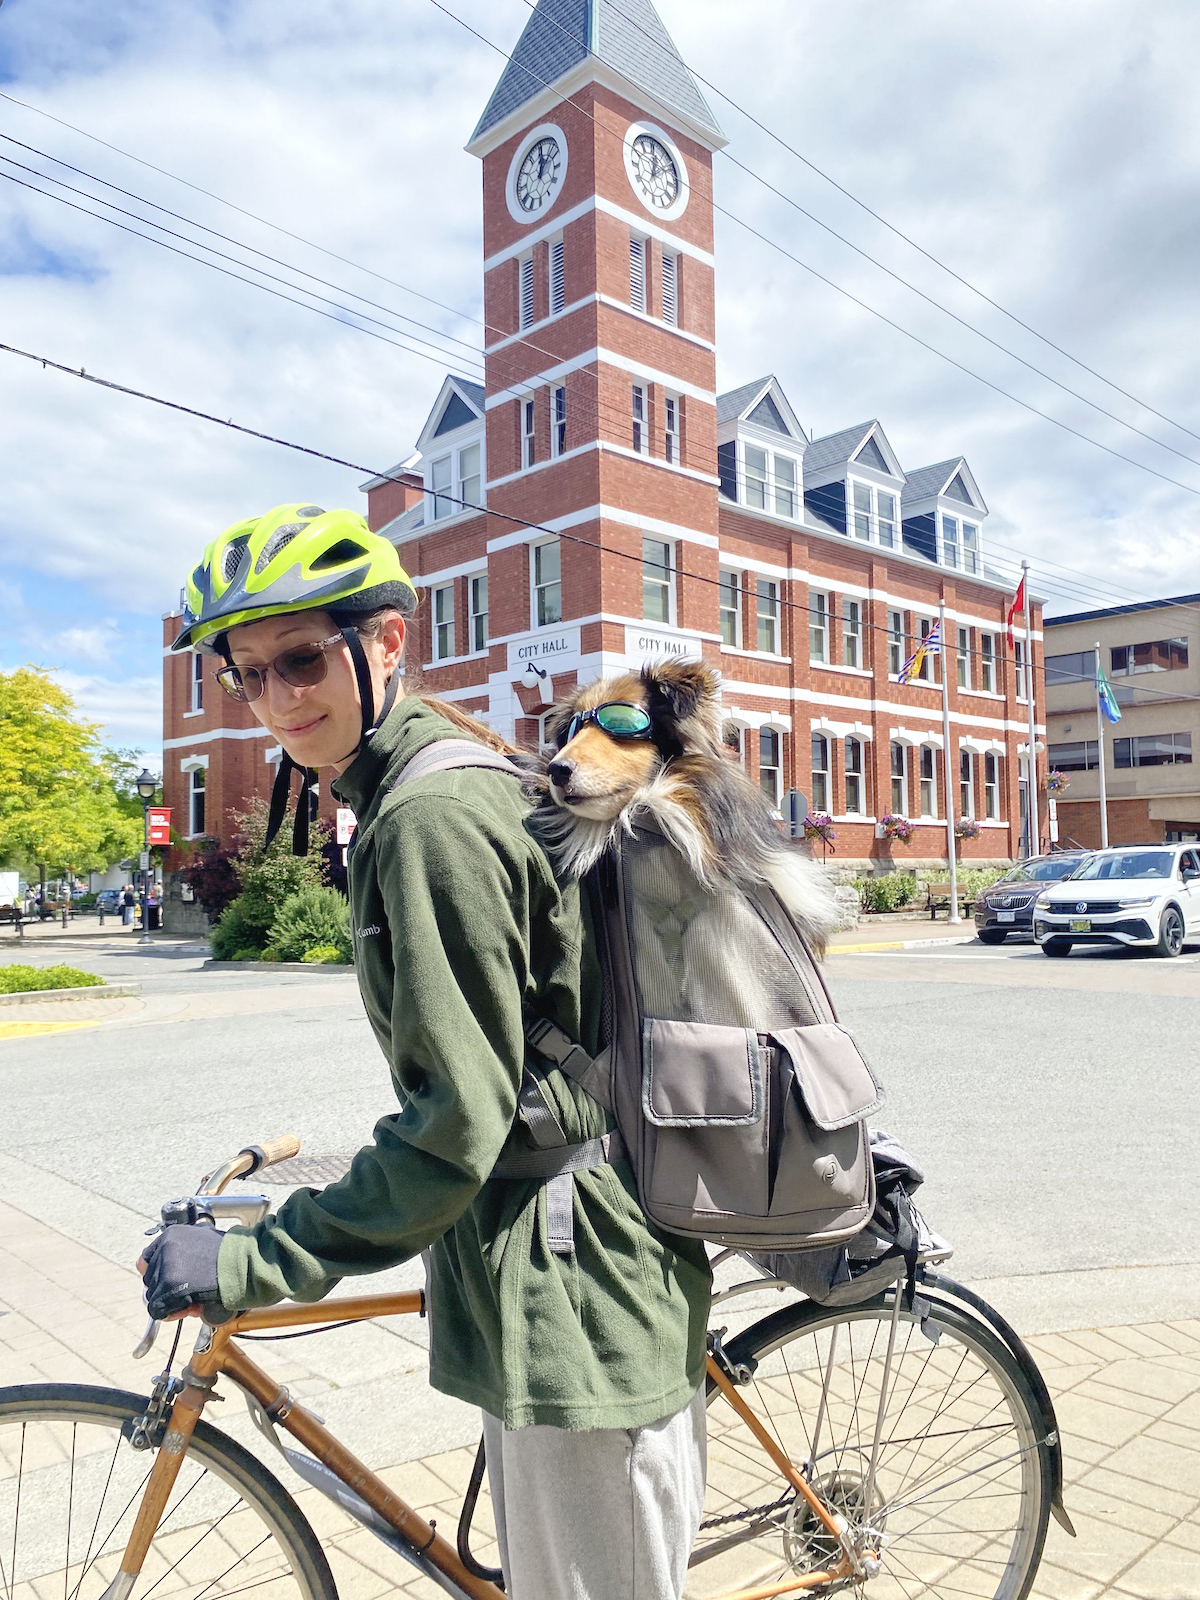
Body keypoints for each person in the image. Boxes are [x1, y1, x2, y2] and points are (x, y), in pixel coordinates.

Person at [139, 504, 711, 1600]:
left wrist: (258, 1263)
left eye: (302, 658)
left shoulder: (428, 817)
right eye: (246, 673)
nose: (276, 699)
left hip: (577, 1304)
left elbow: (455, 1125)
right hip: (553, 1275)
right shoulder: (426, 780)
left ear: (387, 641)